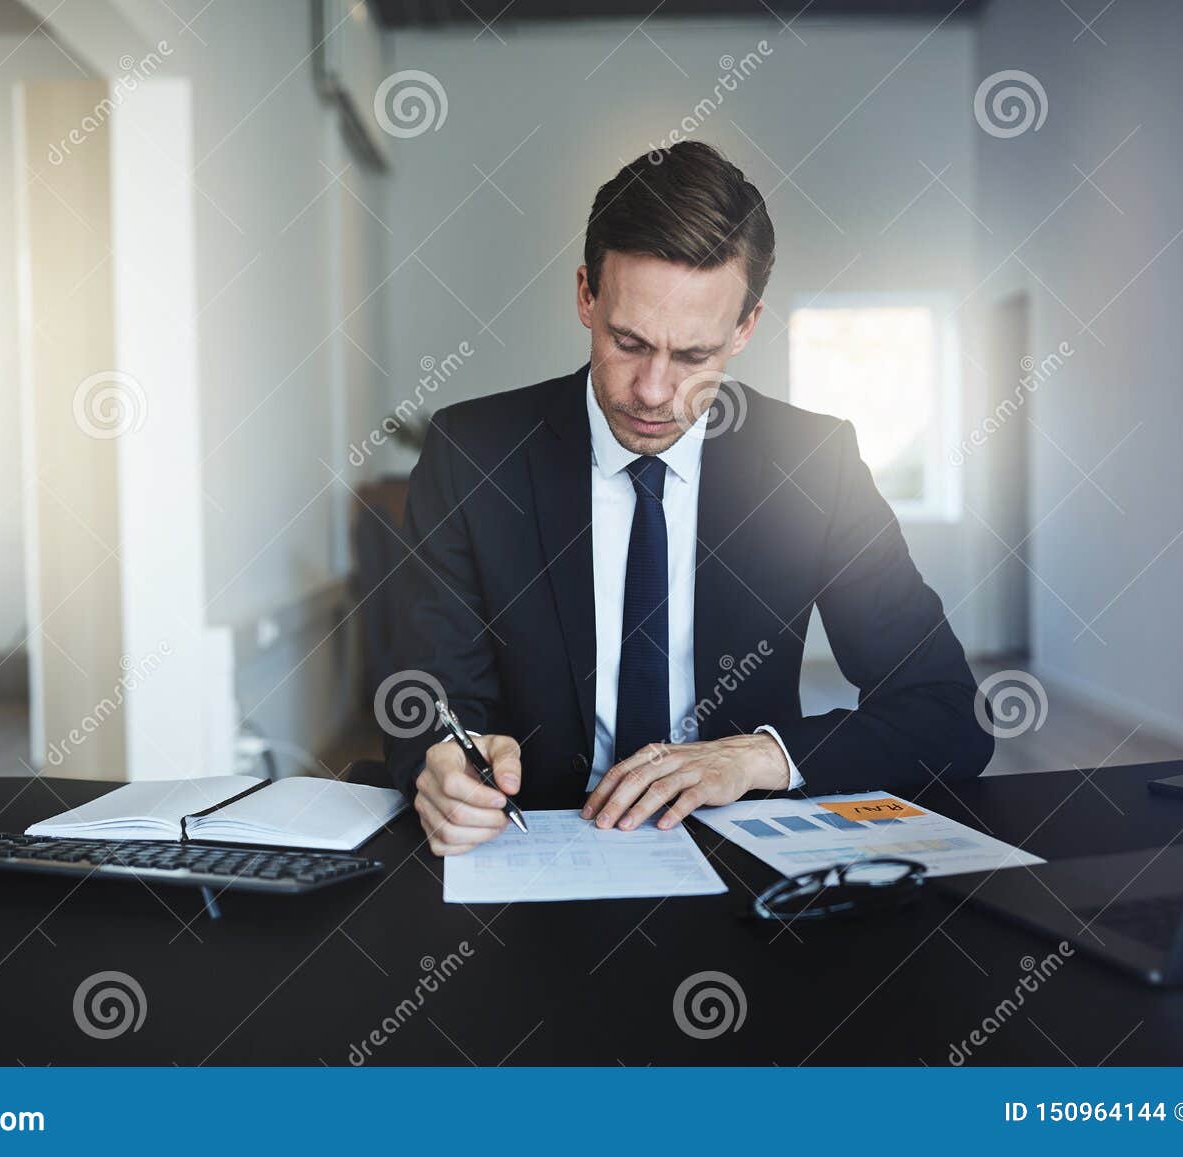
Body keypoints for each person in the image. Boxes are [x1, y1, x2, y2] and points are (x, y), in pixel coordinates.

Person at [385, 141, 991, 856]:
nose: (651, 391)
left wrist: (758, 756)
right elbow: (427, 702)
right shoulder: (471, 455)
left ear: (745, 328)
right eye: (629, 341)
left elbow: (947, 712)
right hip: (528, 853)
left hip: (740, 859)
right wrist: (441, 765)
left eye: (694, 356)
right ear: (586, 293)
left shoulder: (813, 464)